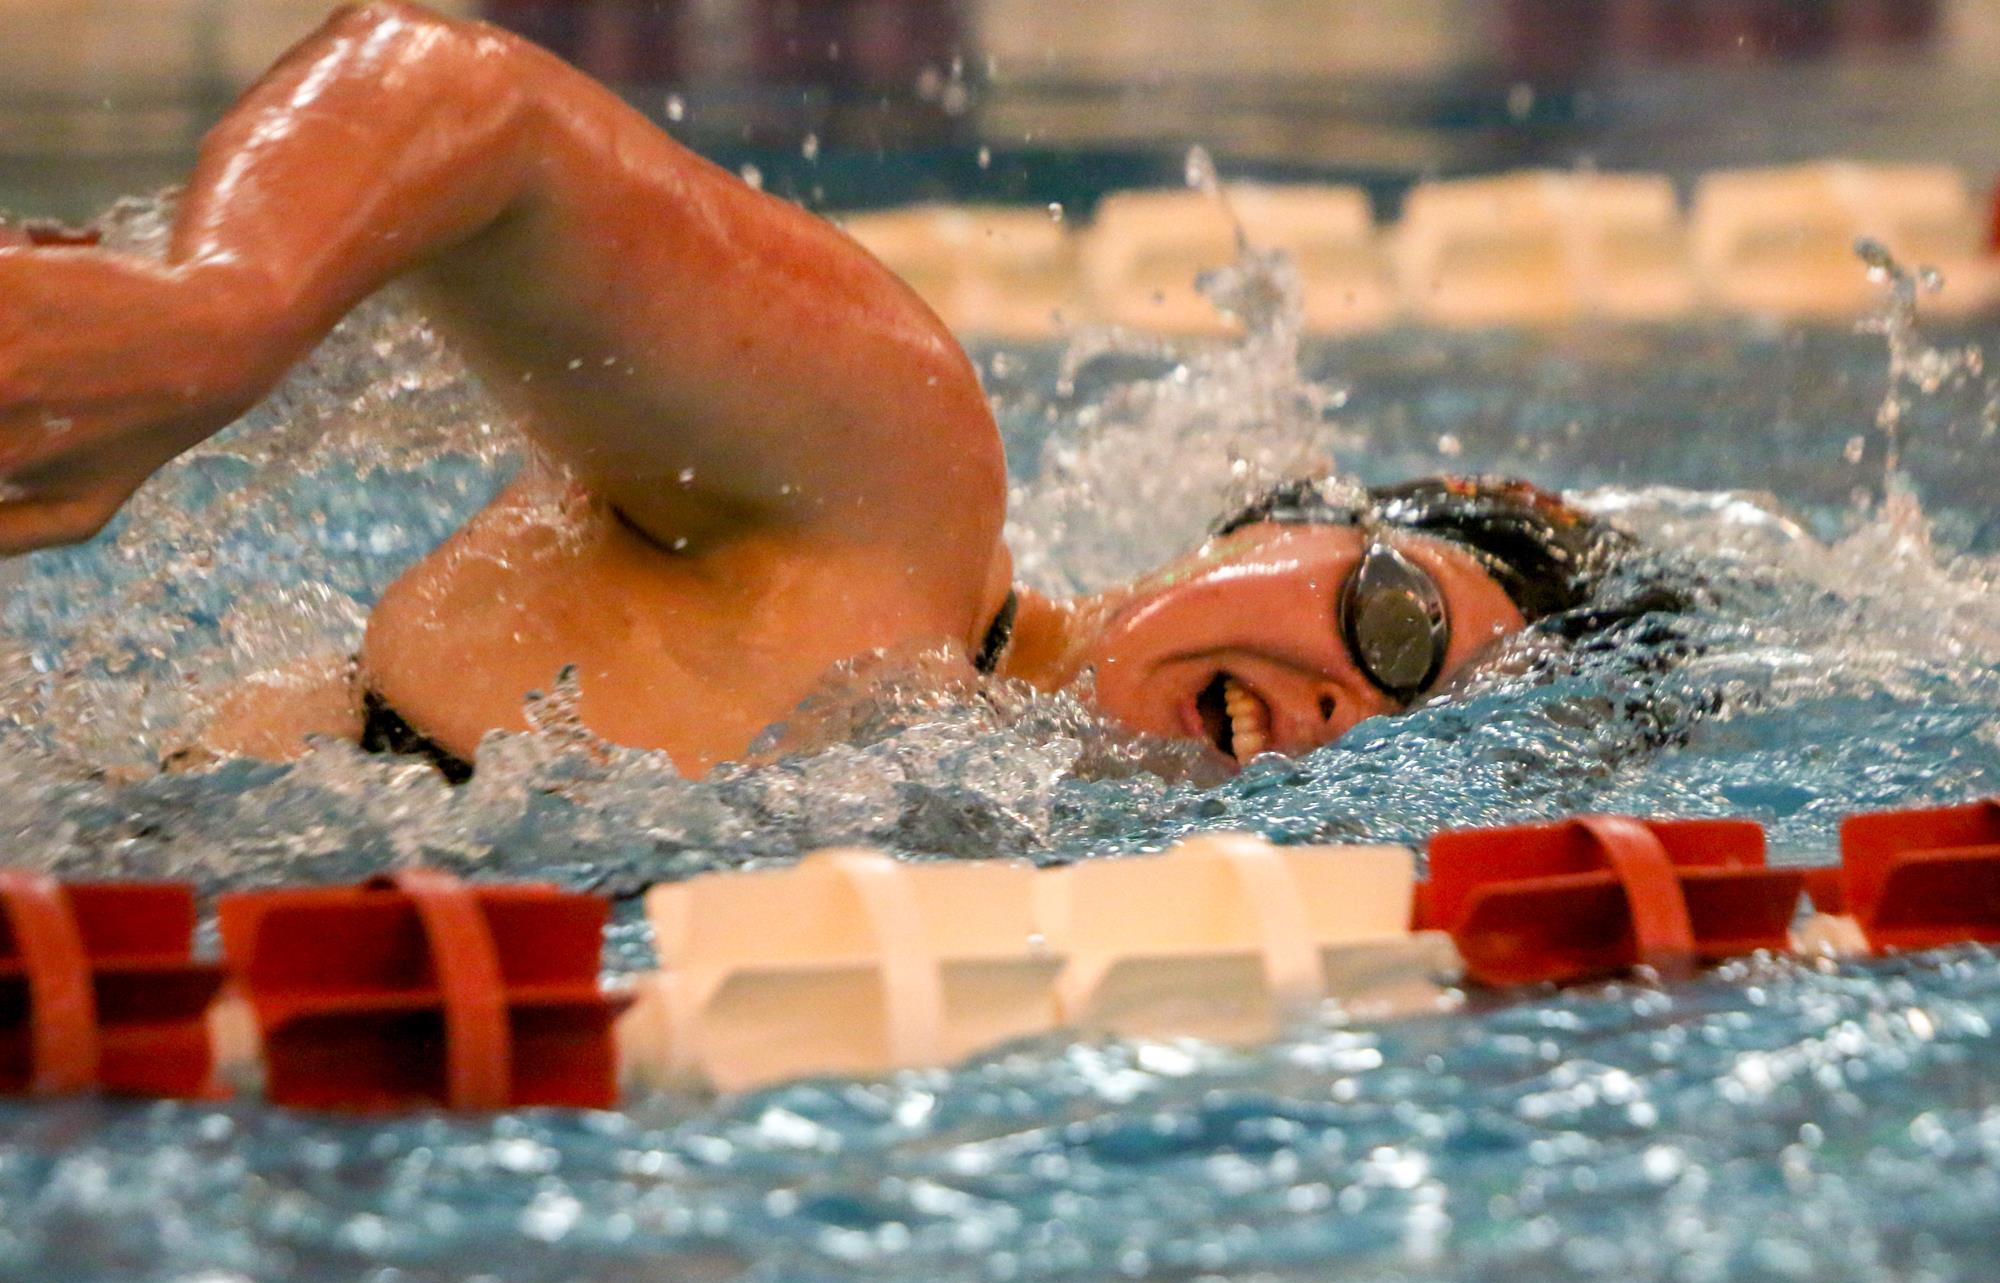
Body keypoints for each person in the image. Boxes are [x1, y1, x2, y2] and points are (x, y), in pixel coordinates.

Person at [0, 2, 1623, 781]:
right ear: (1275, 522)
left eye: (1418, 729)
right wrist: (219, 300)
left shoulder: (996, 869)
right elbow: (472, 100)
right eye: (1395, 621)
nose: (1353, 707)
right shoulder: (901, 492)